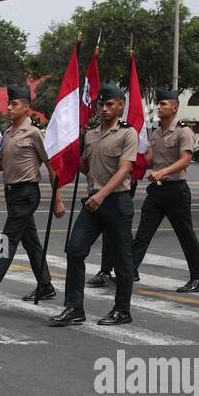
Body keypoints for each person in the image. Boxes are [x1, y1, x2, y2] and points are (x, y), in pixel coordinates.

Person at [0, 84, 59, 317]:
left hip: (27, 193)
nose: (9, 107)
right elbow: (2, 163)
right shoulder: (8, 133)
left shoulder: (35, 133)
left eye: (14, 104)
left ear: (26, 108)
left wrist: (57, 198)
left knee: (7, 240)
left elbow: (51, 166)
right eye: (8, 104)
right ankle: (45, 284)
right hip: (12, 194)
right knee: (30, 242)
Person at [51, 83, 136, 326]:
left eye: (110, 104)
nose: (105, 109)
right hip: (93, 201)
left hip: (116, 201)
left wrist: (102, 195)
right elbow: (86, 167)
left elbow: (125, 169)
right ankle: (74, 307)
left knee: (121, 260)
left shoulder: (128, 133)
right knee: (75, 250)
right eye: (101, 104)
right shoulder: (90, 134)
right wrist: (68, 151)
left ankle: (122, 310)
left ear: (120, 105)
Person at [130, 87, 199, 292]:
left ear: (175, 107)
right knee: (143, 233)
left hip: (176, 191)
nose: (159, 106)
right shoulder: (156, 133)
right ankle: (128, 271)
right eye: (159, 103)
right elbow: (150, 160)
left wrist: (162, 172)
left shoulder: (184, 131)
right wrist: (132, 168)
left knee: (185, 235)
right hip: (157, 192)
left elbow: (185, 160)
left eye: (164, 103)